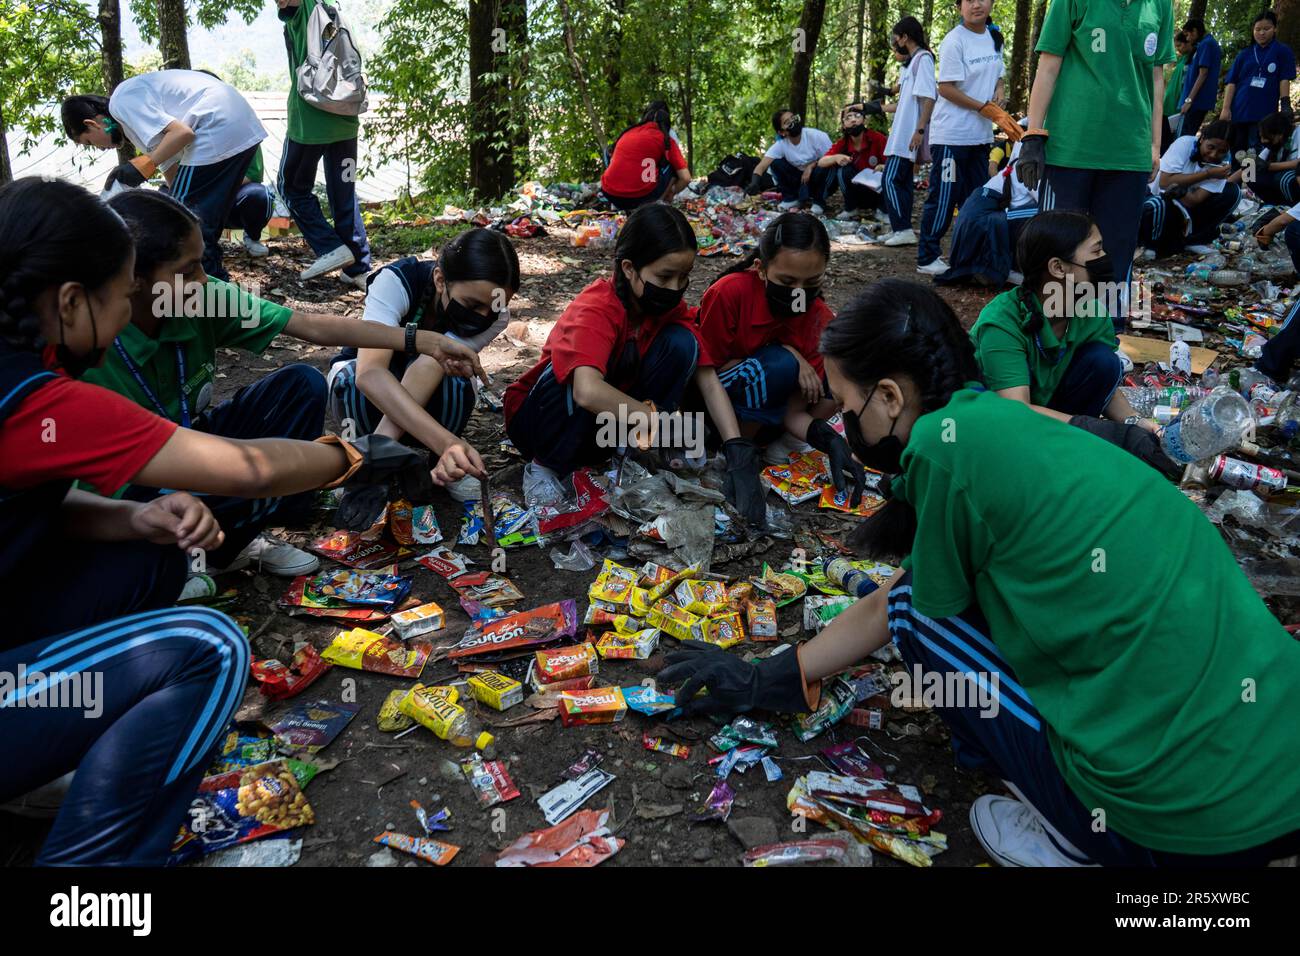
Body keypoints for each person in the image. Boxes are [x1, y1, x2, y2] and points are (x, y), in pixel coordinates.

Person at [657, 276, 1300, 867]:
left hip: (1169, 831)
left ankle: (1068, 834)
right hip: (1281, 776)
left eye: (846, 408)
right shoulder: (1013, 425)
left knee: (920, 619)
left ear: (889, 396)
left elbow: (899, 604)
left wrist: (767, 677)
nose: (841, 425)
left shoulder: (942, 446)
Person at [0, 178, 442, 862]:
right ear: (69, 300)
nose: (121, 317)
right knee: (210, 645)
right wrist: (351, 454)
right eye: (119, 297)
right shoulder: (40, 401)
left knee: (153, 554)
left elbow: (35, 506)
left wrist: (131, 523)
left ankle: (37, 760)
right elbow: (249, 470)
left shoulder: (29, 372)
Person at [84, 189, 484, 576]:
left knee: (301, 384)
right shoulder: (88, 346)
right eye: (187, 270)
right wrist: (361, 456)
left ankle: (237, 538)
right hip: (130, 482)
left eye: (201, 263)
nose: (204, 279)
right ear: (132, 277)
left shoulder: (199, 298)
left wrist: (419, 340)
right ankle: (188, 550)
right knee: (233, 476)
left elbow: (307, 326)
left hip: (187, 440)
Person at [504, 204, 700, 487]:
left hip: (601, 423)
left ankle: (626, 451)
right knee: (574, 374)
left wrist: (734, 441)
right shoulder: (597, 308)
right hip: (539, 421)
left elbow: (699, 363)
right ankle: (543, 468)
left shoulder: (662, 307)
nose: (674, 287)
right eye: (664, 276)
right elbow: (586, 391)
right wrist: (658, 421)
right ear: (629, 269)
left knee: (683, 343)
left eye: (683, 277)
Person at [690, 213, 863, 526]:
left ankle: (767, 447)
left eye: (811, 283)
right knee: (777, 367)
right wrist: (787, 353)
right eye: (787, 282)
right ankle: (738, 453)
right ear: (760, 269)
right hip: (713, 404)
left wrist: (828, 440)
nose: (798, 293)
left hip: (771, 410)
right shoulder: (729, 293)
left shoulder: (819, 319)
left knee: (835, 380)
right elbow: (707, 372)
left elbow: (794, 409)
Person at [327, 228, 520, 499]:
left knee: (458, 380)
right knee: (349, 379)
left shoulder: (495, 316)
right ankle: (362, 450)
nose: (483, 316)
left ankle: (438, 459)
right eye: (472, 304)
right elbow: (370, 373)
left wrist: (443, 445)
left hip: (426, 388)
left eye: (494, 307)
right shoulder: (396, 282)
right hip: (370, 391)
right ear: (441, 280)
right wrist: (375, 453)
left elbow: (429, 365)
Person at [1020, 0, 1174, 306]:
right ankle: (1050, 331)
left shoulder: (1160, 5)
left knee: (1116, 248)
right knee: (1058, 246)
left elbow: (1157, 78)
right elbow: (1049, 66)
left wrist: (1155, 145)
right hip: (1071, 148)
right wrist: (1033, 135)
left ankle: (1104, 334)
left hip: (1129, 151)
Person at [62, 70, 266, 282]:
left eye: (88, 142)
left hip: (216, 123)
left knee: (188, 227)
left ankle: (214, 300)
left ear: (91, 124)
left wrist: (143, 165)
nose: (96, 148)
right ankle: (214, 292)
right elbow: (174, 172)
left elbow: (183, 133)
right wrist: (167, 206)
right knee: (187, 217)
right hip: (238, 122)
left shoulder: (120, 102)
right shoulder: (134, 126)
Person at [969, 211, 1149, 431]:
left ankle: (1069, 442)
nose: (1105, 257)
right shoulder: (1002, 323)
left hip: (1048, 414)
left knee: (1104, 361)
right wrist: (1091, 428)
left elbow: (1103, 383)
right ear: (1058, 267)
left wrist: (1135, 422)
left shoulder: (1092, 313)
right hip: (995, 426)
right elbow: (1015, 411)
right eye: (1096, 250)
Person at [275, 0, 373, 289]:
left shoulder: (308, 9)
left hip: (309, 121)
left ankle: (331, 248)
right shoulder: (328, 11)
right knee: (344, 192)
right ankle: (358, 267)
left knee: (290, 187)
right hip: (344, 117)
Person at [917, 0, 1007, 276]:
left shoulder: (994, 36)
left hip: (979, 136)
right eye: (968, 0)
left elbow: (998, 73)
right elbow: (945, 89)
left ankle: (969, 256)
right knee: (944, 196)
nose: (976, 5)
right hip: (951, 138)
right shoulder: (954, 41)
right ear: (959, 7)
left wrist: (1000, 89)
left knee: (975, 200)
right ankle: (927, 256)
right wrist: (982, 107)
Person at [937, 137, 1036, 287]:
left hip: (979, 218)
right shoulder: (1020, 158)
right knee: (1039, 215)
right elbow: (992, 166)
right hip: (981, 221)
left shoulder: (1020, 155)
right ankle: (1003, 269)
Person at [1143, 120, 1243, 257]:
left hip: (1185, 206)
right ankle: (1151, 245)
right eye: (1211, 147)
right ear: (1202, 139)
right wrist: (1207, 174)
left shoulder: (1223, 165)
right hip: (1159, 198)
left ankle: (1195, 240)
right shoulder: (1185, 144)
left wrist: (1181, 192)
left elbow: (1195, 200)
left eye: (1221, 151)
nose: (1213, 155)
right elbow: (1164, 182)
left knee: (1233, 192)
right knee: (1158, 205)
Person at [880, 16, 937, 247]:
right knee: (901, 181)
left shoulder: (923, 59)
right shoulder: (914, 61)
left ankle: (902, 228)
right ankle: (900, 228)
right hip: (903, 132)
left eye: (896, 38)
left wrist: (919, 130)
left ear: (905, 37)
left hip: (908, 133)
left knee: (890, 179)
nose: (895, 43)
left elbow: (928, 97)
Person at [1220, 11, 1296, 158]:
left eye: (1266, 29)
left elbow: (1284, 79)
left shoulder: (1282, 51)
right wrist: (1225, 108)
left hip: (1264, 114)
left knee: (1255, 152)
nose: (1261, 33)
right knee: (1238, 151)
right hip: (1239, 111)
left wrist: (1285, 104)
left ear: (1274, 29)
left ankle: (1250, 180)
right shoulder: (1244, 54)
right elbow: (1231, 83)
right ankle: (1235, 180)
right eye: (1257, 29)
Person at [599, 101, 693, 211]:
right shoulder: (666, 139)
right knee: (674, 167)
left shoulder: (627, 133)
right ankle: (658, 205)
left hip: (609, 193)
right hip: (642, 198)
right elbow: (686, 178)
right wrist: (672, 191)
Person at [745, 110, 834, 214]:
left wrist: (811, 166)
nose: (793, 122)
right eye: (787, 122)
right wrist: (754, 182)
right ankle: (791, 198)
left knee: (821, 168)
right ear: (782, 132)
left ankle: (819, 201)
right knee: (776, 162)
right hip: (801, 179)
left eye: (793, 118)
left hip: (821, 176)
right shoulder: (781, 145)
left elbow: (832, 158)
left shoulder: (817, 136)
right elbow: (761, 166)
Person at [815, 103, 888, 221]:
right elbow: (821, 162)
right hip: (857, 191)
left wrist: (883, 166)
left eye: (857, 115)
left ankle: (882, 210)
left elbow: (893, 164)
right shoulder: (843, 143)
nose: (853, 120)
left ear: (864, 119)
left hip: (878, 191)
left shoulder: (877, 138)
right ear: (843, 125)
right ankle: (851, 208)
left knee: (888, 173)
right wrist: (836, 157)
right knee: (842, 170)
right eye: (848, 117)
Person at [1179, 18, 1222, 139]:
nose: (1187, 39)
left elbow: (1203, 74)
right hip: (1195, 101)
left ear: (1194, 31)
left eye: (1187, 35)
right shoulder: (1203, 44)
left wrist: (1189, 101)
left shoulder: (1207, 44)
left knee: (1185, 137)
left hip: (1197, 101)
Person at [230, 145, 274, 258]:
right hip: (202, 197)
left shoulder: (246, 131)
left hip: (234, 194)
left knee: (258, 195)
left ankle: (252, 236)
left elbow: (253, 174)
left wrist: (221, 188)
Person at [1250, 110, 1300, 204]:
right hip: (1280, 174)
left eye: (1265, 136)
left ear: (1279, 134)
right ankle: (1272, 203)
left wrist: (1269, 166)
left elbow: (1298, 162)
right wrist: (1228, 183)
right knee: (1249, 174)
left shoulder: (1298, 133)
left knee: (1283, 179)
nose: (1263, 141)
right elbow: (1254, 163)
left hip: (1295, 174)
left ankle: (1291, 206)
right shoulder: (1274, 143)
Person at [1161, 32, 1192, 153]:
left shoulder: (1191, 60)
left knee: (1170, 139)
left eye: (1179, 45)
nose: (1178, 49)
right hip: (1168, 104)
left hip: (1177, 106)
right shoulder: (1182, 59)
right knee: (1163, 136)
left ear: (1188, 42)